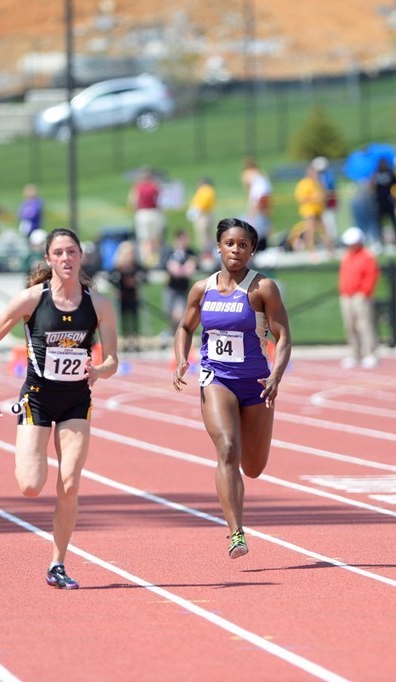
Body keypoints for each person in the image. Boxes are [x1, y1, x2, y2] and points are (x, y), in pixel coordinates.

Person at [0, 227, 119, 589]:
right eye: (59, 253)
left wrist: (99, 369)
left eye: (72, 252)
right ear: (48, 260)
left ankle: (57, 564)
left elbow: (114, 359)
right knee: (30, 485)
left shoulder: (98, 305)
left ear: (80, 257)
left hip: (76, 401)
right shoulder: (31, 300)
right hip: (37, 399)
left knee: (69, 483)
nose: (66, 259)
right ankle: (28, 459)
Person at [172, 217, 291, 558]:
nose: (235, 250)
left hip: (256, 384)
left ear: (252, 250)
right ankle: (236, 533)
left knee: (253, 467)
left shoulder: (262, 288)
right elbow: (184, 326)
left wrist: (276, 376)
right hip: (216, 378)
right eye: (229, 243)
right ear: (218, 247)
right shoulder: (202, 288)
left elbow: (283, 337)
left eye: (243, 244)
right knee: (226, 448)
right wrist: (182, 358)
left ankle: (239, 514)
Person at [338, 226, 379, 369]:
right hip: (346, 295)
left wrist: (364, 292)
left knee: (364, 325)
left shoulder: (367, 256)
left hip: (360, 295)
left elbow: (371, 276)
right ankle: (355, 353)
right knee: (350, 326)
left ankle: (370, 353)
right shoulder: (347, 256)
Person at [107, 240, 146, 352]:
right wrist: (117, 286)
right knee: (124, 320)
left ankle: (136, 341)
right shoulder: (118, 267)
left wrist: (136, 282)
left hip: (133, 296)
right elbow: (111, 277)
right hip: (122, 297)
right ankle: (125, 342)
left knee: (134, 319)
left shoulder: (136, 267)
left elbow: (143, 276)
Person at [161, 229, 198, 341]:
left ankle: (179, 335)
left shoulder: (190, 252)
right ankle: (171, 333)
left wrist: (188, 267)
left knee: (180, 313)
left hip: (183, 288)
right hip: (171, 287)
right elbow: (165, 264)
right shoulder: (169, 252)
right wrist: (173, 267)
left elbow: (193, 265)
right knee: (169, 312)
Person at [128, 167, 164, 268]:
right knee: (155, 238)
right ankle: (156, 259)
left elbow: (133, 202)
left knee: (145, 239)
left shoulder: (138, 187)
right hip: (154, 212)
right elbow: (161, 201)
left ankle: (146, 260)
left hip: (142, 213)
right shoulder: (155, 186)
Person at [370, 157, 396, 248]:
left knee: (394, 221)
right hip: (380, 202)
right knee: (379, 223)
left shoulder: (390, 173)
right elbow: (372, 188)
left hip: (389, 201)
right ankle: (380, 241)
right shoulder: (376, 174)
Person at [241, 158, 272, 251]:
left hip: (259, 209)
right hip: (260, 208)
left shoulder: (257, 180)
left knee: (258, 229)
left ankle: (260, 248)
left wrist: (253, 212)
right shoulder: (260, 178)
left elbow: (259, 198)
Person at [186, 177, 216, 266]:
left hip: (203, 215)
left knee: (204, 238)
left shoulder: (206, 190)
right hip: (204, 214)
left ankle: (206, 257)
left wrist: (195, 210)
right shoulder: (207, 190)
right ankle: (207, 256)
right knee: (206, 237)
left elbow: (201, 203)